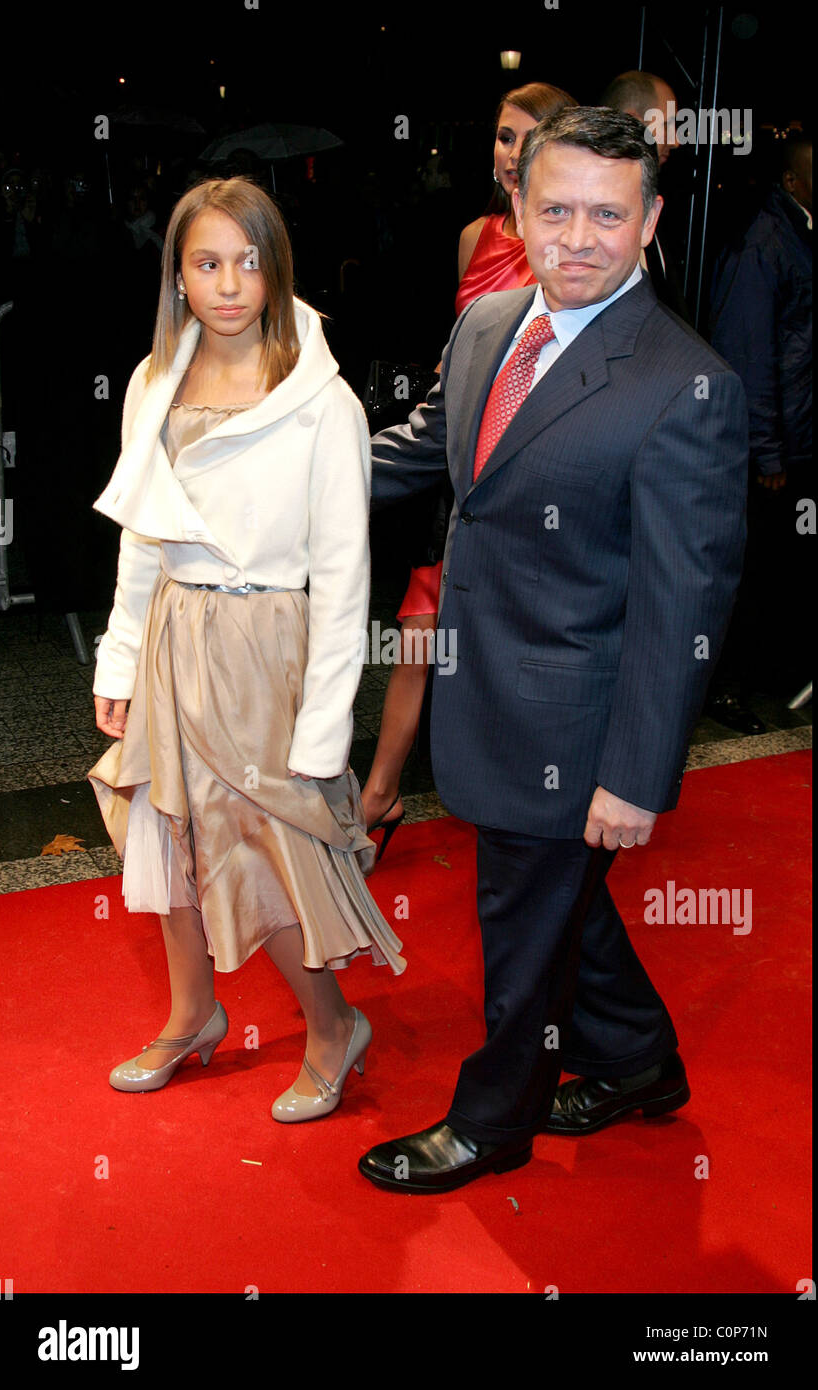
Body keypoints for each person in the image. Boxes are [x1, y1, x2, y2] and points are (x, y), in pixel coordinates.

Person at [359, 107, 747, 1194]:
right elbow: (430, 451)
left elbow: (683, 607)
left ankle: (493, 1118)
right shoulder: (490, 325)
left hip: (573, 723)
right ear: (517, 210)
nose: (578, 238)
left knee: (519, 921)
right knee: (560, 904)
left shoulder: (685, 386)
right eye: (556, 209)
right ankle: (633, 1061)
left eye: (607, 216)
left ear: (651, 219)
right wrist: (278, 476)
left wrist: (634, 775)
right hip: (480, 686)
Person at [88, 176, 405, 1124]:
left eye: (250, 261)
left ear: (277, 269)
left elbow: (347, 578)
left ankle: (333, 1024)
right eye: (207, 263)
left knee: (268, 852)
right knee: (167, 832)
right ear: (177, 275)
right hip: (172, 637)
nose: (229, 284)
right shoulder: (152, 381)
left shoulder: (324, 400)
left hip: (269, 646)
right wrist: (117, 661)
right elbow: (142, 536)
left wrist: (325, 723)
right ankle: (193, 1015)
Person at [360, 82, 576, 846]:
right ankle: (380, 796)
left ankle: (520, 805)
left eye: (529, 136)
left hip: (532, 480)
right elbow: (457, 372)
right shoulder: (472, 236)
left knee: (492, 651)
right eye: (502, 135)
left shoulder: (572, 248)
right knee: (419, 635)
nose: (511, 152)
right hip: (457, 469)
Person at [706, 136, 812, 716]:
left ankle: (763, 676)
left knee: (780, 570)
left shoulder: (798, 235)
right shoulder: (767, 242)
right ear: (792, 183)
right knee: (748, 571)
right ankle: (728, 685)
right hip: (768, 447)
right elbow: (747, 352)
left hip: (794, 439)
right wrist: (767, 452)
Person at [600, 69, 691, 322]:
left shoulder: (647, 200)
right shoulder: (590, 212)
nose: (675, 141)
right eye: (667, 125)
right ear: (633, 123)